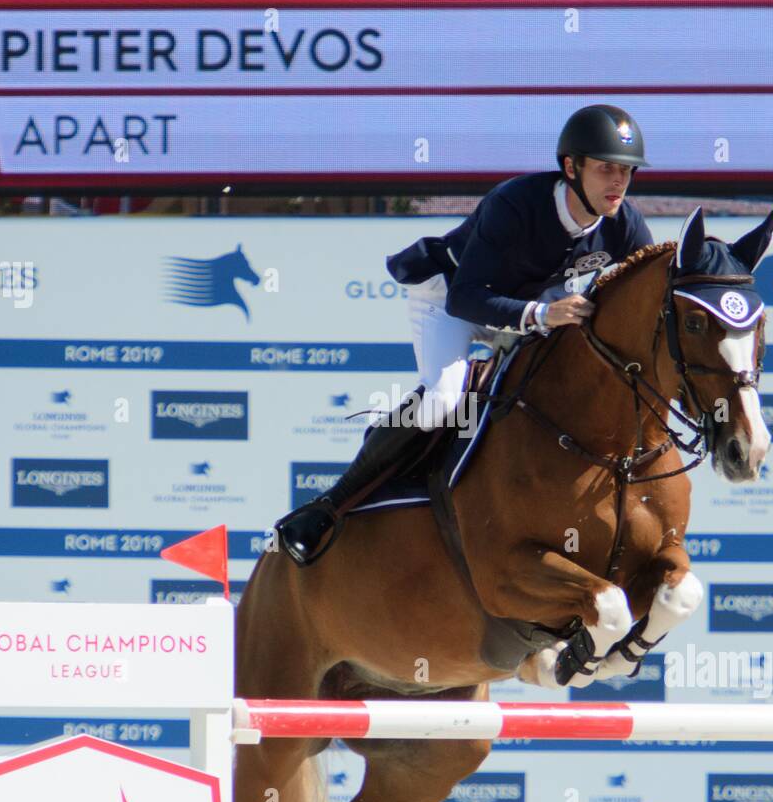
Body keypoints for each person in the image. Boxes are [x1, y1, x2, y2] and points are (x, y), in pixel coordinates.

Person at [275, 104, 656, 566]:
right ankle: (329, 506)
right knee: (443, 398)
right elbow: (466, 298)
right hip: (453, 301)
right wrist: (540, 314)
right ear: (571, 167)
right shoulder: (516, 204)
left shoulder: (626, 224)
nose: (618, 183)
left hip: (530, 313)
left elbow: (645, 291)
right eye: (605, 169)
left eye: (626, 172)